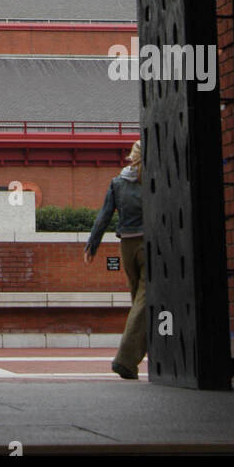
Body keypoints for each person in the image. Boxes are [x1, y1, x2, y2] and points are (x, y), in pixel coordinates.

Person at [83, 140, 146, 379]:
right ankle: (126, 360)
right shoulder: (153, 180)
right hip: (149, 244)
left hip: (126, 247)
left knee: (139, 303)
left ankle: (137, 356)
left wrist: (92, 245)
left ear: (131, 157)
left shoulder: (117, 182)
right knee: (145, 302)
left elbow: (104, 214)